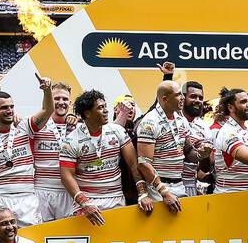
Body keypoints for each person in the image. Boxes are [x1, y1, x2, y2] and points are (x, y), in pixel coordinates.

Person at [59, 87, 149, 223]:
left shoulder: (117, 131)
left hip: (116, 199)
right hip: (88, 201)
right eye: (100, 108)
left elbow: (133, 165)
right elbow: (66, 176)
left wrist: (142, 193)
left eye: (105, 106)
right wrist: (84, 203)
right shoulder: (71, 141)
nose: (106, 110)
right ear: (88, 113)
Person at [0, 80, 54, 230]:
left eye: (11, 107)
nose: (9, 110)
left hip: (27, 196)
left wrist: (47, 90)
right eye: (4, 108)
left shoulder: (24, 127)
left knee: (32, 239)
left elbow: (48, 110)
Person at [135, 64, 188, 210]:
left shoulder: (181, 119)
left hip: (179, 184)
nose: (183, 98)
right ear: (164, 99)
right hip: (159, 189)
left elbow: (187, 151)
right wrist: (163, 191)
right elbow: (143, 163)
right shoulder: (150, 122)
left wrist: (200, 153)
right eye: (178, 94)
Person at [30, 79, 77, 222]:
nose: (61, 102)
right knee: (43, 233)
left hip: (68, 191)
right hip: (41, 188)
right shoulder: (37, 125)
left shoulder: (78, 126)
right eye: (56, 98)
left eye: (65, 99)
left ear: (70, 103)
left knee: (68, 236)